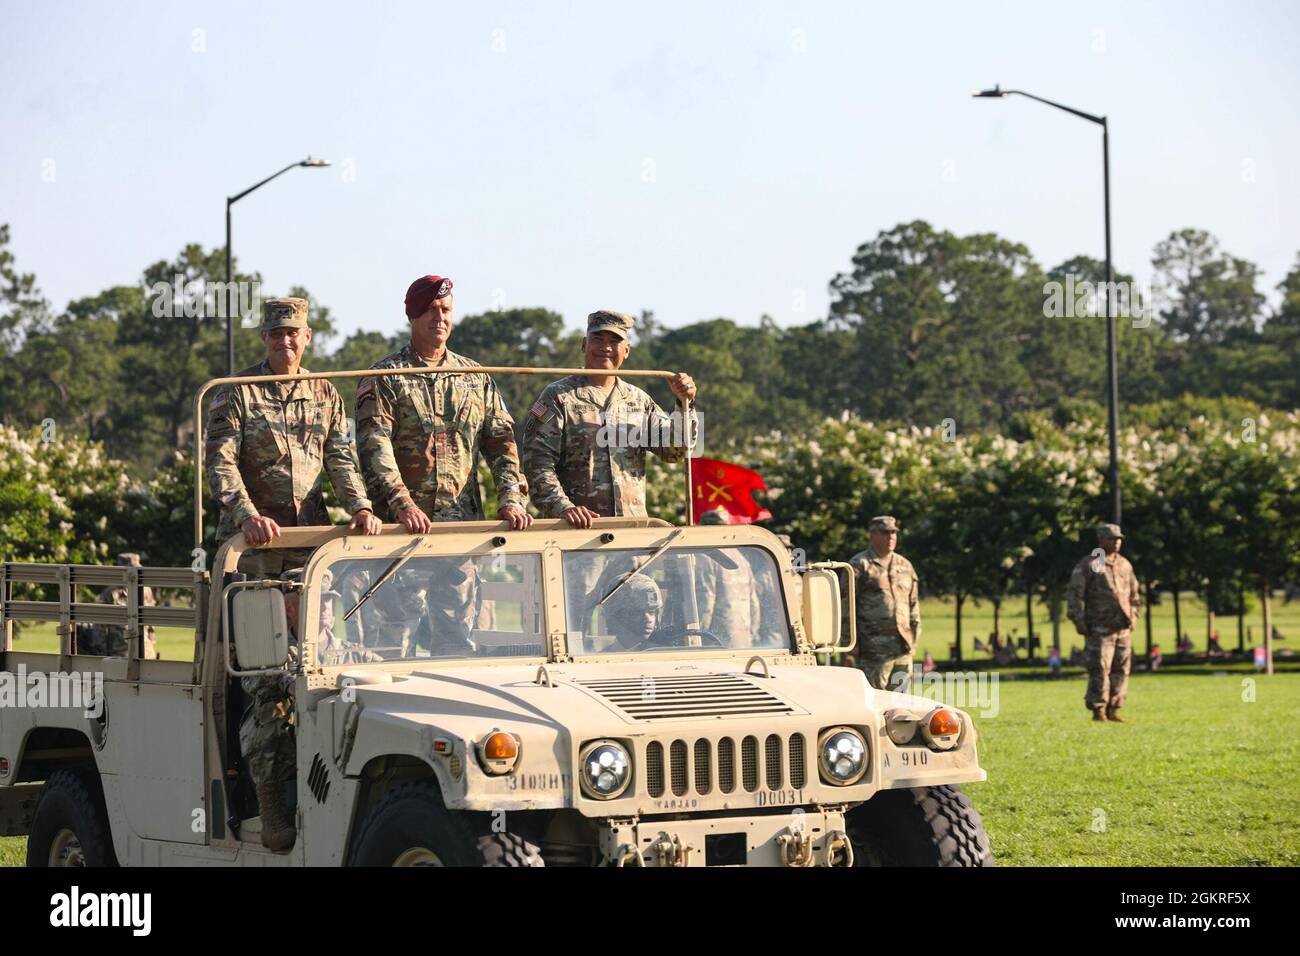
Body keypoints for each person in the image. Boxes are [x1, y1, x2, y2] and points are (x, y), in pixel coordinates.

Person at [355, 275, 530, 648]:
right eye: (431, 310)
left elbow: (502, 443)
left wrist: (511, 497)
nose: (440, 318)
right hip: (401, 536)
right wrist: (402, 504)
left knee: (455, 646)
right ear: (412, 316)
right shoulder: (386, 377)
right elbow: (374, 445)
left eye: (446, 310)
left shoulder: (475, 377)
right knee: (394, 645)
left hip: (459, 538)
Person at [206, 297, 381, 578]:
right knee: (255, 620)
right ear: (264, 337)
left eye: (292, 332)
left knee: (315, 621)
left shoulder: (324, 392)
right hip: (251, 546)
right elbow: (220, 464)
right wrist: (248, 516)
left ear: (307, 336)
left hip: (308, 544)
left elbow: (340, 460)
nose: (284, 340)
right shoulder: (236, 392)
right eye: (276, 333)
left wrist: (359, 507)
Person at [522, 310, 697, 527]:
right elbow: (537, 463)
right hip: (575, 534)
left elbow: (676, 451)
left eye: (614, 341)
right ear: (584, 345)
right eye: (598, 339)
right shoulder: (558, 396)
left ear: (627, 351)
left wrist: (684, 405)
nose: (605, 347)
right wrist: (563, 507)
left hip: (632, 534)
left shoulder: (638, 400)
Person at [1066, 523, 1141, 723]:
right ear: (1100, 540)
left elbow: (1134, 594)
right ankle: (1098, 709)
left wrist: (1134, 616)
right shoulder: (1092, 563)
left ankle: (1114, 708)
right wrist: (1078, 619)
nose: (1117, 542)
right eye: (1112, 539)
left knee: (1121, 669)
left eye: (1119, 539)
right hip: (1099, 627)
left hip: (1122, 627)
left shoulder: (1124, 564)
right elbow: (1075, 594)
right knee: (1100, 668)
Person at [848, 515, 921, 691]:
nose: (891, 537)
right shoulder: (859, 565)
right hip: (873, 649)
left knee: (901, 702)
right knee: (874, 701)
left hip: (902, 647)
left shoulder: (905, 565)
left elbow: (913, 605)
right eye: (885, 533)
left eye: (893, 533)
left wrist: (914, 639)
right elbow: (846, 606)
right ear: (872, 535)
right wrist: (849, 642)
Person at [695, 508, 762, 647]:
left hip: (716, 641)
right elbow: (754, 602)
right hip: (743, 638)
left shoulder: (707, 556)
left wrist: (696, 638)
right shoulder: (740, 558)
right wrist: (752, 633)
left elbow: (706, 601)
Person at [79, 552, 158, 659]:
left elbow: (151, 621)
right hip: (119, 652)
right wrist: (101, 652)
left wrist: (151, 643)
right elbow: (100, 626)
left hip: (144, 650)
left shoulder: (145, 590)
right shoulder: (111, 593)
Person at [592, 573, 664, 652]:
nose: (648, 619)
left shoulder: (664, 652)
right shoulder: (602, 657)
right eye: (638, 612)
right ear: (619, 615)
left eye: (652, 611)